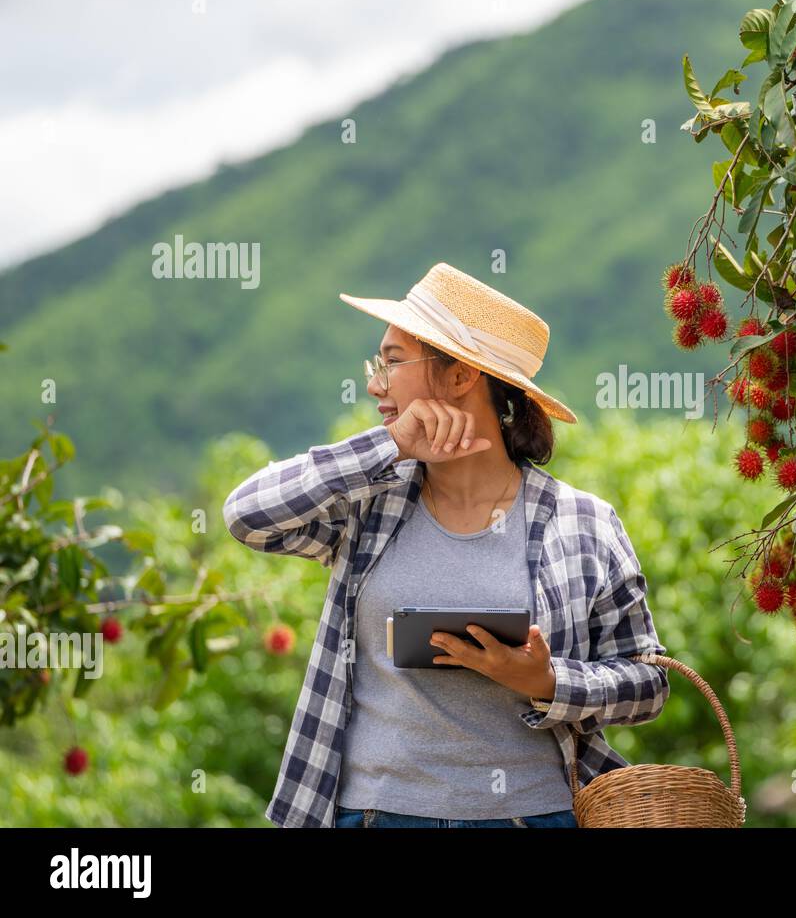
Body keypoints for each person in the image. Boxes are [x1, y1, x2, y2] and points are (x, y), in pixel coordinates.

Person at [222, 262, 670, 827]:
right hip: (374, 815)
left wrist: (547, 681)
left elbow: (649, 682)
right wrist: (387, 446)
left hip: (532, 816)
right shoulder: (368, 503)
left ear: (460, 375)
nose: (374, 383)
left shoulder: (584, 523)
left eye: (392, 362)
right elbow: (246, 515)